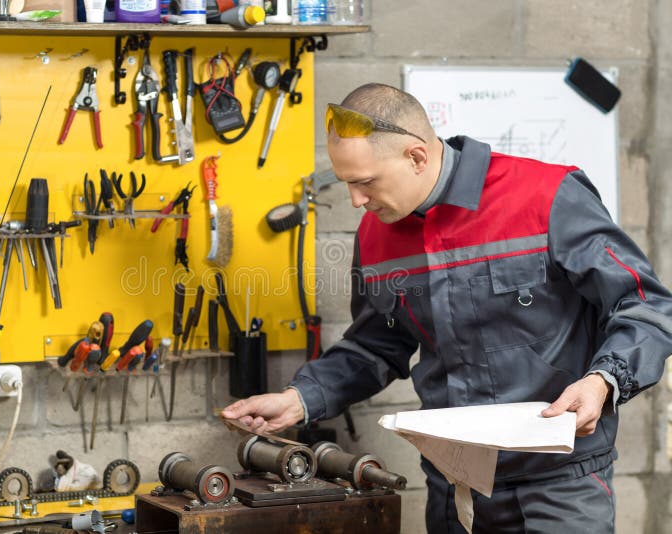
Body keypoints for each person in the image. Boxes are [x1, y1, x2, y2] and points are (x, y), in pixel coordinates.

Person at [222, 83, 672, 532]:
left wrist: (603, 381)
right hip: (454, 485)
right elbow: (374, 346)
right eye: (347, 184)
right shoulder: (376, 235)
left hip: (559, 483)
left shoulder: (545, 197)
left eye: (365, 183)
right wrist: (299, 400)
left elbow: (645, 304)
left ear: (416, 157)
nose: (357, 201)